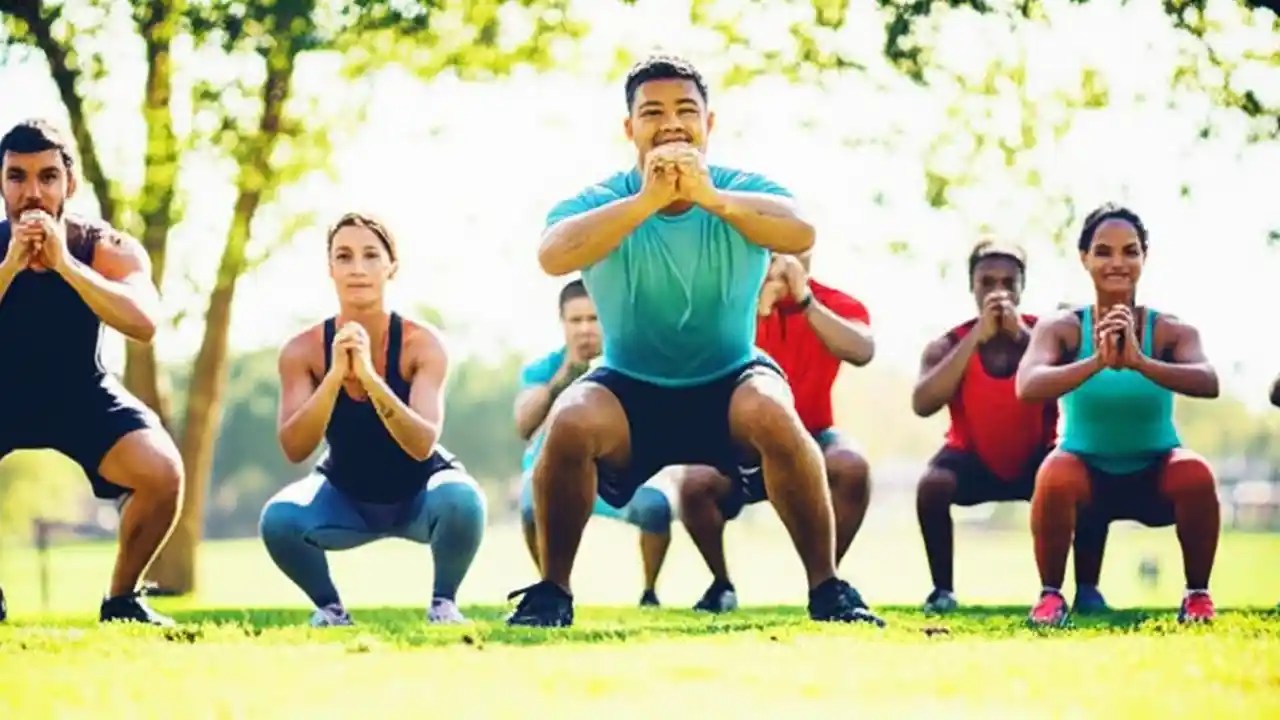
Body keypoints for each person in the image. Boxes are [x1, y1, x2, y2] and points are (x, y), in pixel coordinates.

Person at [507, 54, 882, 628]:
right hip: (628, 386)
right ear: (629, 128)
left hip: (731, 378)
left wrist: (712, 198)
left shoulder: (742, 189)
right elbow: (552, 255)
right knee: (571, 418)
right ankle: (551, 592)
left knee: (773, 409)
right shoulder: (600, 199)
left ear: (709, 123)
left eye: (686, 110)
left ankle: (828, 588)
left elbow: (800, 230)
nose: (671, 124)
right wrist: (647, 203)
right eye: (652, 113)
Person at [260, 212, 486, 627]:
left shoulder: (422, 344)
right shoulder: (302, 350)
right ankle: (331, 611)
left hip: (420, 494)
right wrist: (334, 377)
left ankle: (443, 606)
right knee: (278, 519)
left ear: (391, 266)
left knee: (464, 498)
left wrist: (368, 377)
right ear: (330, 268)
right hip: (346, 497)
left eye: (370, 255)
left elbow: (422, 444)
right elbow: (294, 448)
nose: (357, 268)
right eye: (344, 256)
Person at [0, 119, 183, 626]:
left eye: (47, 177)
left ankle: (122, 601)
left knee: (161, 472)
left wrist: (66, 266)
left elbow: (144, 323)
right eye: (16, 177)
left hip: (78, 392)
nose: (32, 193)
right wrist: (11, 266)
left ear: (70, 183)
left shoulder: (103, 246)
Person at [1017, 203, 1220, 625]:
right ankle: (1051, 597)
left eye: (1130, 251)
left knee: (1195, 472)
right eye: (1103, 251)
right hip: (1086, 477)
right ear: (1084, 258)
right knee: (1054, 472)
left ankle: (1197, 596)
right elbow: (1028, 385)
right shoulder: (1062, 328)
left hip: (1154, 473)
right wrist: (1096, 362)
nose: (1117, 263)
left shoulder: (1169, 330)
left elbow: (1207, 380)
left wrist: (1140, 362)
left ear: (1144, 258)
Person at [910, 238, 1109, 615]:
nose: (998, 292)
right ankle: (942, 591)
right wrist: (975, 339)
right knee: (932, 486)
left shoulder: (1046, 335)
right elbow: (923, 403)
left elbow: (1079, 387)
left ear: (1022, 288)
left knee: (1087, 476)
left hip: (1038, 454)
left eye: (1007, 283)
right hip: (971, 457)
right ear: (972, 286)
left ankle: (1086, 589)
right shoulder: (947, 343)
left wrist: (1022, 337)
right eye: (987, 283)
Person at [678, 252, 874, 613]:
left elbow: (862, 351)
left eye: (793, 249)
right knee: (694, 484)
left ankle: (824, 582)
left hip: (814, 434)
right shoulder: (731, 301)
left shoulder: (835, 301)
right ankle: (721, 586)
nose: (782, 259)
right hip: (741, 441)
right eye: (772, 249)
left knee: (852, 466)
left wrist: (805, 301)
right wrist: (757, 305)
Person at [514, 279, 675, 607]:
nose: (585, 329)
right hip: (559, 477)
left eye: (594, 318)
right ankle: (552, 586)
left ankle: (649, 593)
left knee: (656, 508)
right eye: (576, 320)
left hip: (619, 476)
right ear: (562, 323)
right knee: (530, 501)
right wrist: (565, 376)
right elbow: (524, 425)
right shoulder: (543, 368)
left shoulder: (632, 363)